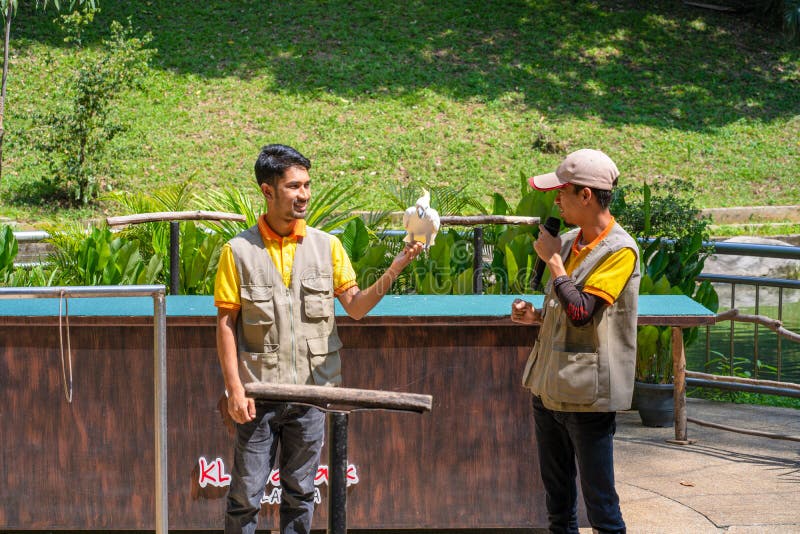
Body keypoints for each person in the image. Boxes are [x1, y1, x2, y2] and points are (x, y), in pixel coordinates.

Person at [215, 144, 423, 534]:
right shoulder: (238, 251)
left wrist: (397, 266)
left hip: (313, 393)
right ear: (268, 191)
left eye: (307, 185)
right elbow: (226, 324)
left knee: (301, 494)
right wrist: (234, 389)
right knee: (245, 497)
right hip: (258, 394)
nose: (304, 195)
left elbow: (357, 307)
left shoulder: (328, 246)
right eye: (294, 186)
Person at [511, 149, 641, 534]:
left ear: (586, 196)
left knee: (601, 507)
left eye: (562, 192)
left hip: (587, 397)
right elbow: (563, 310)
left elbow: (584, 311)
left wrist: (553, 262)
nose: (556, 201)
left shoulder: (620, 250)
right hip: (547, 389)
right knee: (558, 506)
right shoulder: (568, 241)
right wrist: (534, 315)